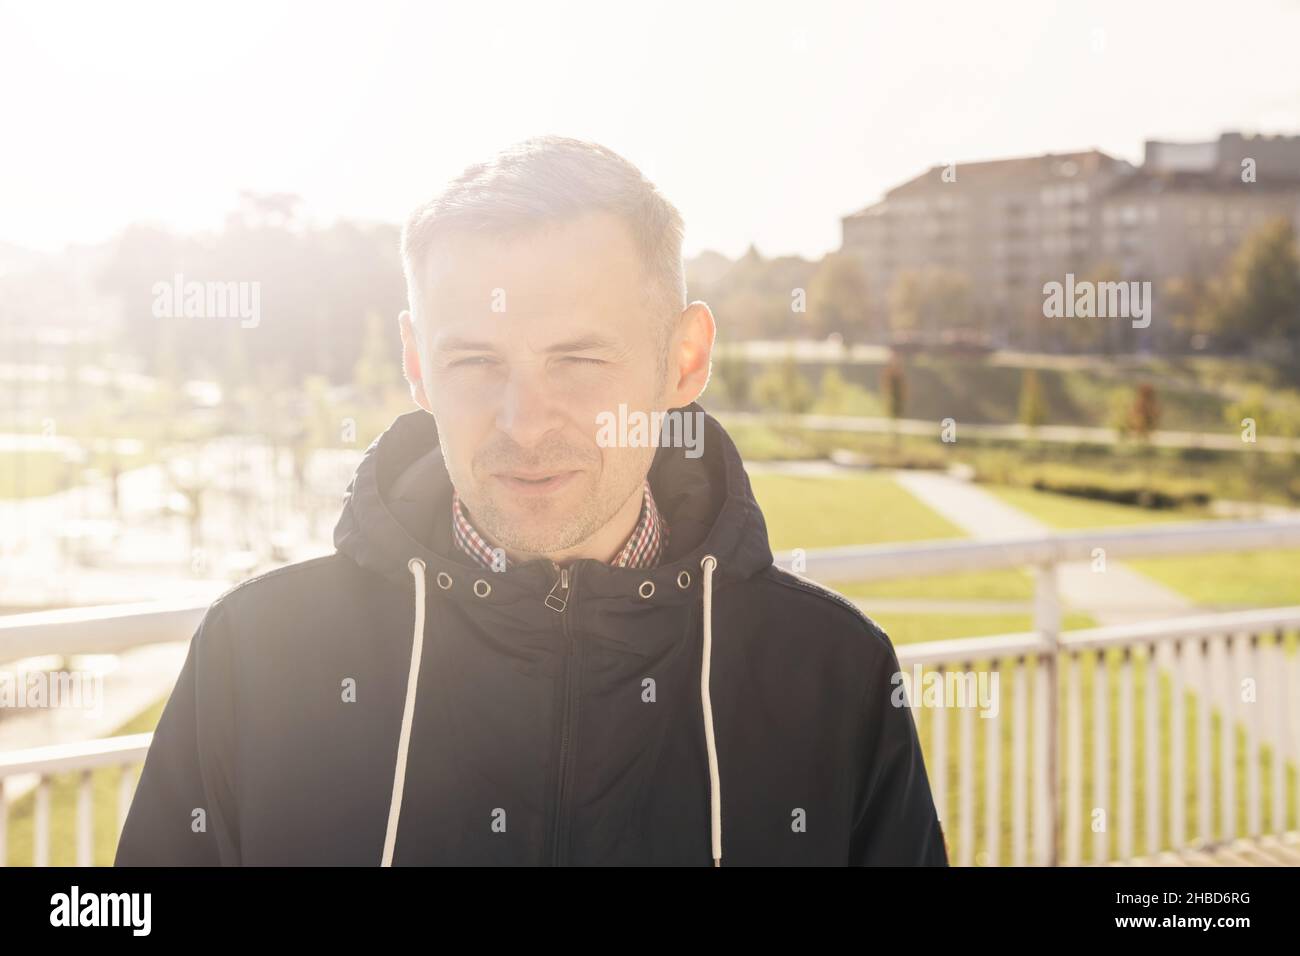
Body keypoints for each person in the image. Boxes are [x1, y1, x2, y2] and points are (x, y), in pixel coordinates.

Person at [115, 136, 947, 866]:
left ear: (683, 361)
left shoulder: (835, 680)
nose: (523, 424)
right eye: (476, 362)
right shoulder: (255, 660)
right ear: (416, 363)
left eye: (579, 361)